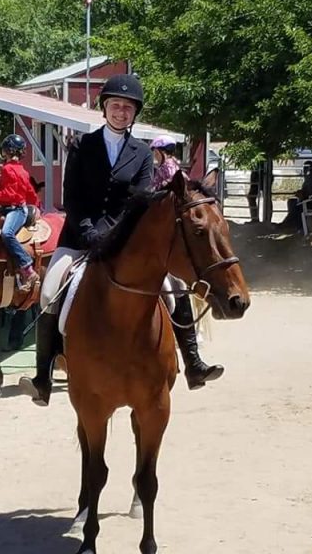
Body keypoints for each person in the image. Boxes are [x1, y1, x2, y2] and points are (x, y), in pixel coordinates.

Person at [19, 73, 222, 407]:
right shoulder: (82, 146)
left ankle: (193, 363)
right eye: (115, 105)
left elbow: (138, 201)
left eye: (128, 107)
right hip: (80, 236)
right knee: (50, 288)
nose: (121, 112)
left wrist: (116, 235)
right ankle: (43, 378)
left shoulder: (141, 153)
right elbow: (73, 197)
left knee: (173, 285)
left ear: (134, 113)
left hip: (124, 238)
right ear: (105, 108)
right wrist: (89, 232)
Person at [0, 134, 40, 290]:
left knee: (7, 234)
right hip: (11, 208)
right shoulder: (23, 170)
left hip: (16, 210)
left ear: (7, 151)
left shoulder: (7, 169)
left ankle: (27, 267)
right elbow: (30, 193)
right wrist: (37, 206)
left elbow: (10, 195)